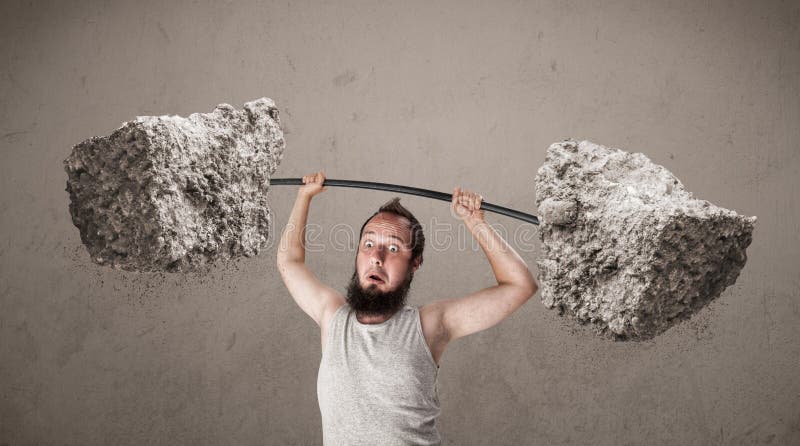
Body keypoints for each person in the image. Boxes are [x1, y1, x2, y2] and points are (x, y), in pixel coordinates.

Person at [276, 169, 538, 445]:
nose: (376, 258)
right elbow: (289, 262)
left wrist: (475, 222)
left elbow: (520, 286)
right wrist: (304, 197)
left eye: (393, 249)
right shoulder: (333, 318)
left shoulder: (429, 325)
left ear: (415, 263)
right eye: (368, 244)